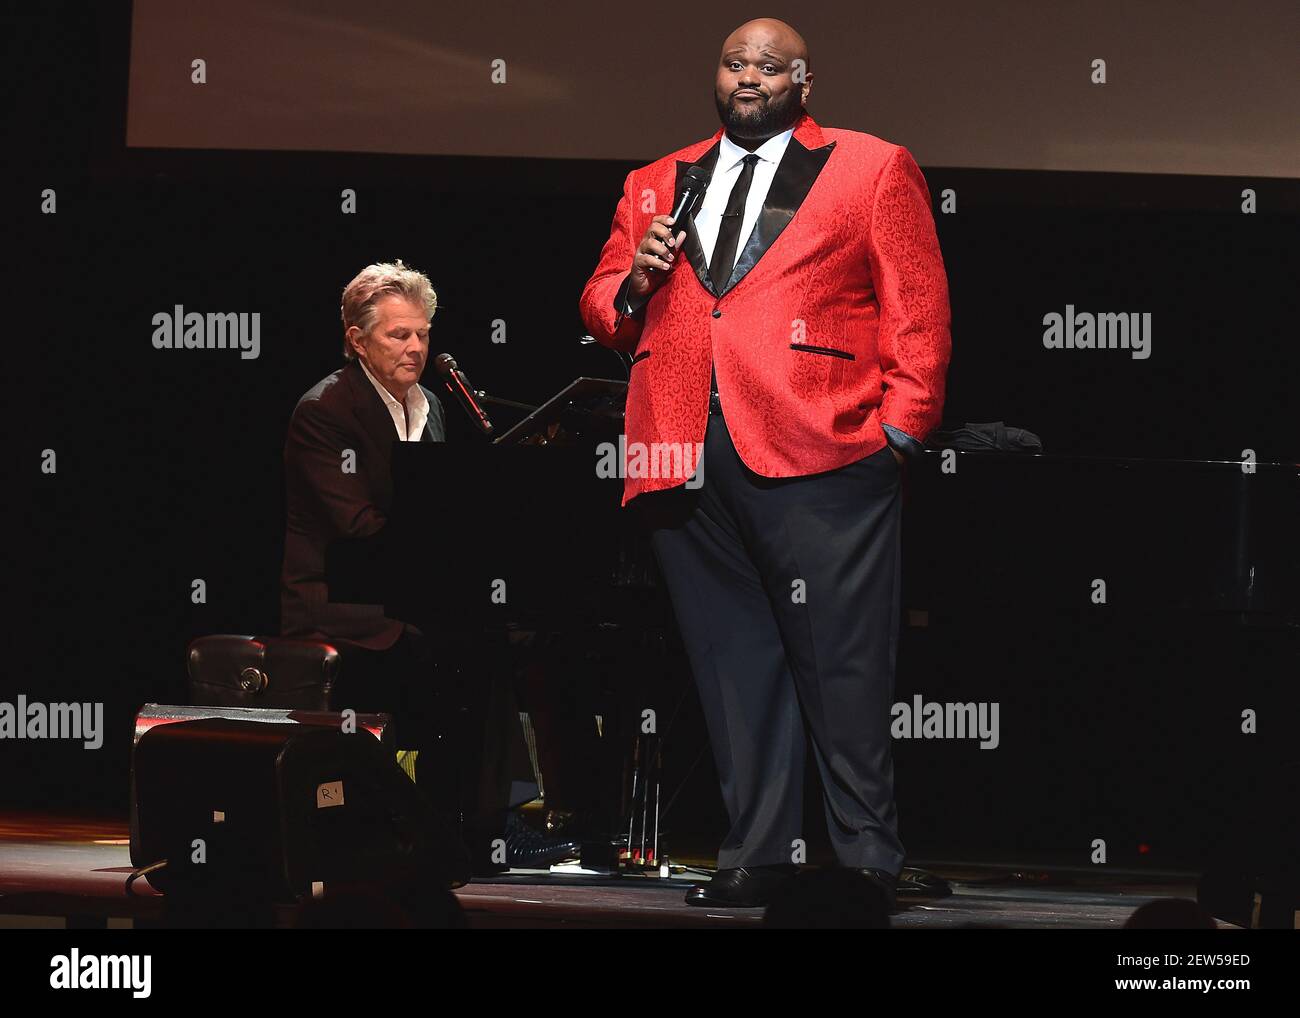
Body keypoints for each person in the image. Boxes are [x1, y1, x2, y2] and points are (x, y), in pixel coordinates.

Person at [579, 19, 951, 908]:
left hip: (823, 444)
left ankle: (866, 855)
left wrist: (899, 428)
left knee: (841, 662)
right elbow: (600, 307)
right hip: (680, 447)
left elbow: (919, 310)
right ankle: (761, 851)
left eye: (768, 65)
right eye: (735, 62)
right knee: (730, 661)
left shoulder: (871, 167)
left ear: (804, 79)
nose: (749, 77)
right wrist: (634, 279)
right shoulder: (656, 181)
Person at [281, 261, 580, 868]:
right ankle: (466, 829)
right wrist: (451, 565)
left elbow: (437, 510)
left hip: (404, 586)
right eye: (398, 335)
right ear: (356, 339)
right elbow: (355, 527)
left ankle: (487, 820)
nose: (415, 347)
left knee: (516, 634)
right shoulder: (326, 410)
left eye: (421, 333)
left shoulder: (431, 407)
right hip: (340, 600)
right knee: (463, 646)